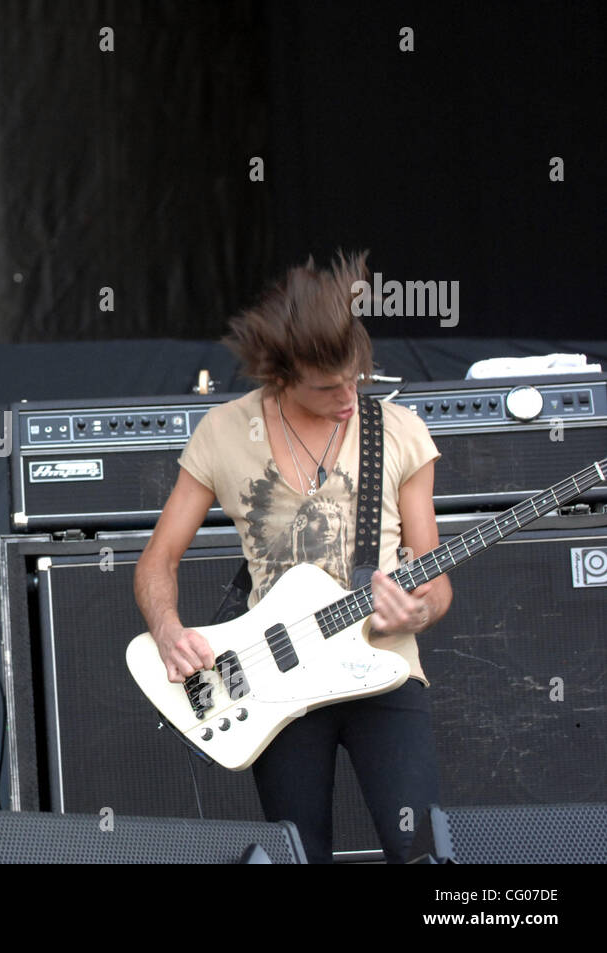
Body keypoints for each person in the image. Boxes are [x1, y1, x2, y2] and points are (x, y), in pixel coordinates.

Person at [134, 251, 452, 863]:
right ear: (277, 375)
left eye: (355, 379)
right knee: (299, 855)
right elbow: (158, 559)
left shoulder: (402, 430)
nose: (347, 397)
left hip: (384, 672)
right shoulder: (223, 433)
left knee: (421, 853)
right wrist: (168, 631)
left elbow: (434, 580)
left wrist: (417, 614)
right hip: (276, 684)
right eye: (328, 387)